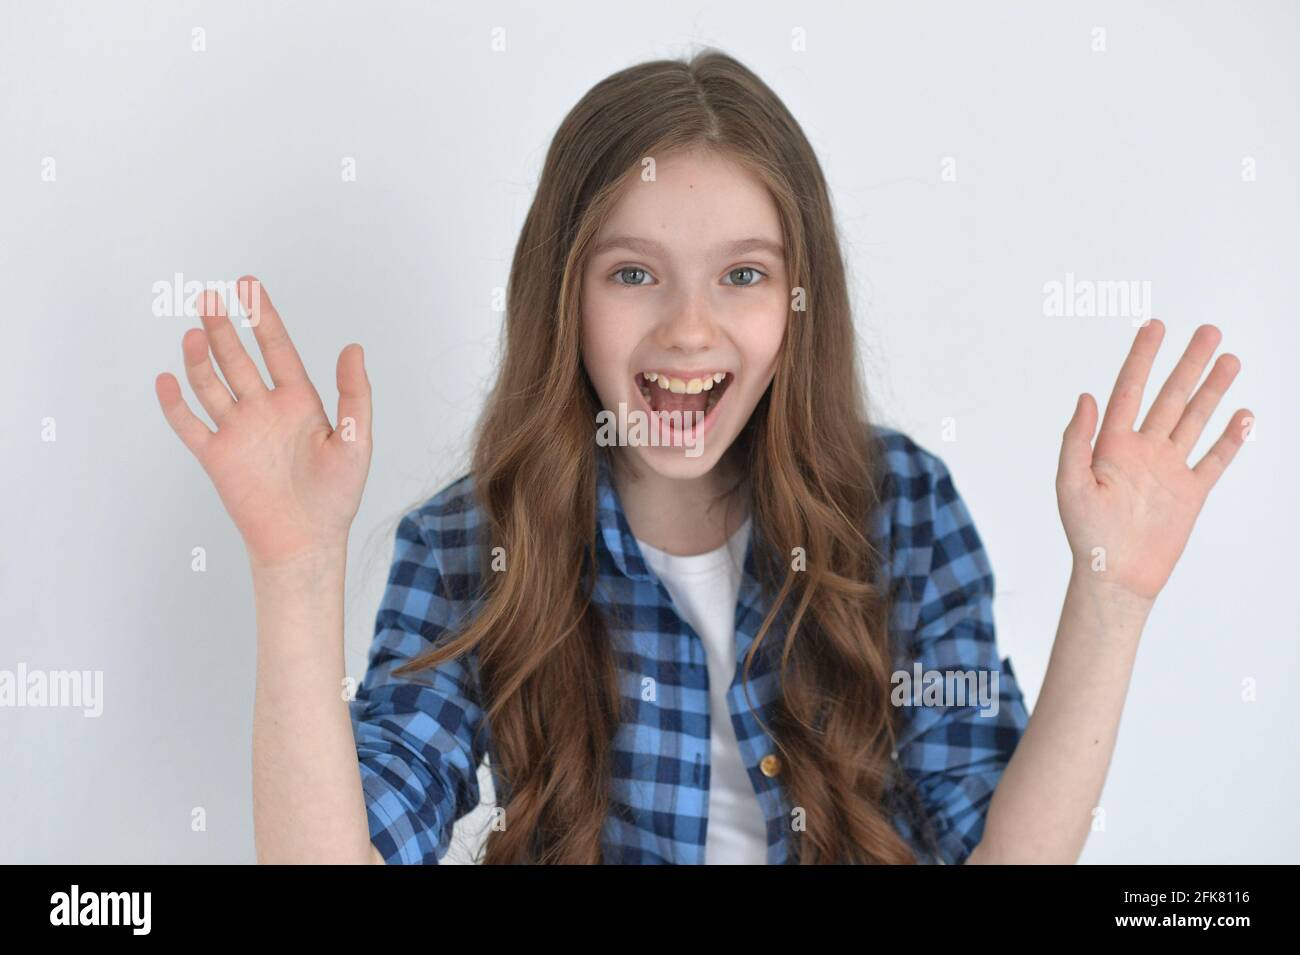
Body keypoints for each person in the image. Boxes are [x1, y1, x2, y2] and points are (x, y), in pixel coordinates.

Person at [153, 49, 1251, 864]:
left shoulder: (903, 506)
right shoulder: (468, 541)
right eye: (633, 274)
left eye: (742, 275)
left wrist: (1115, 596)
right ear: (565, 297)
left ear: (798, 302)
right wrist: (293, 568)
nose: (688, 329)